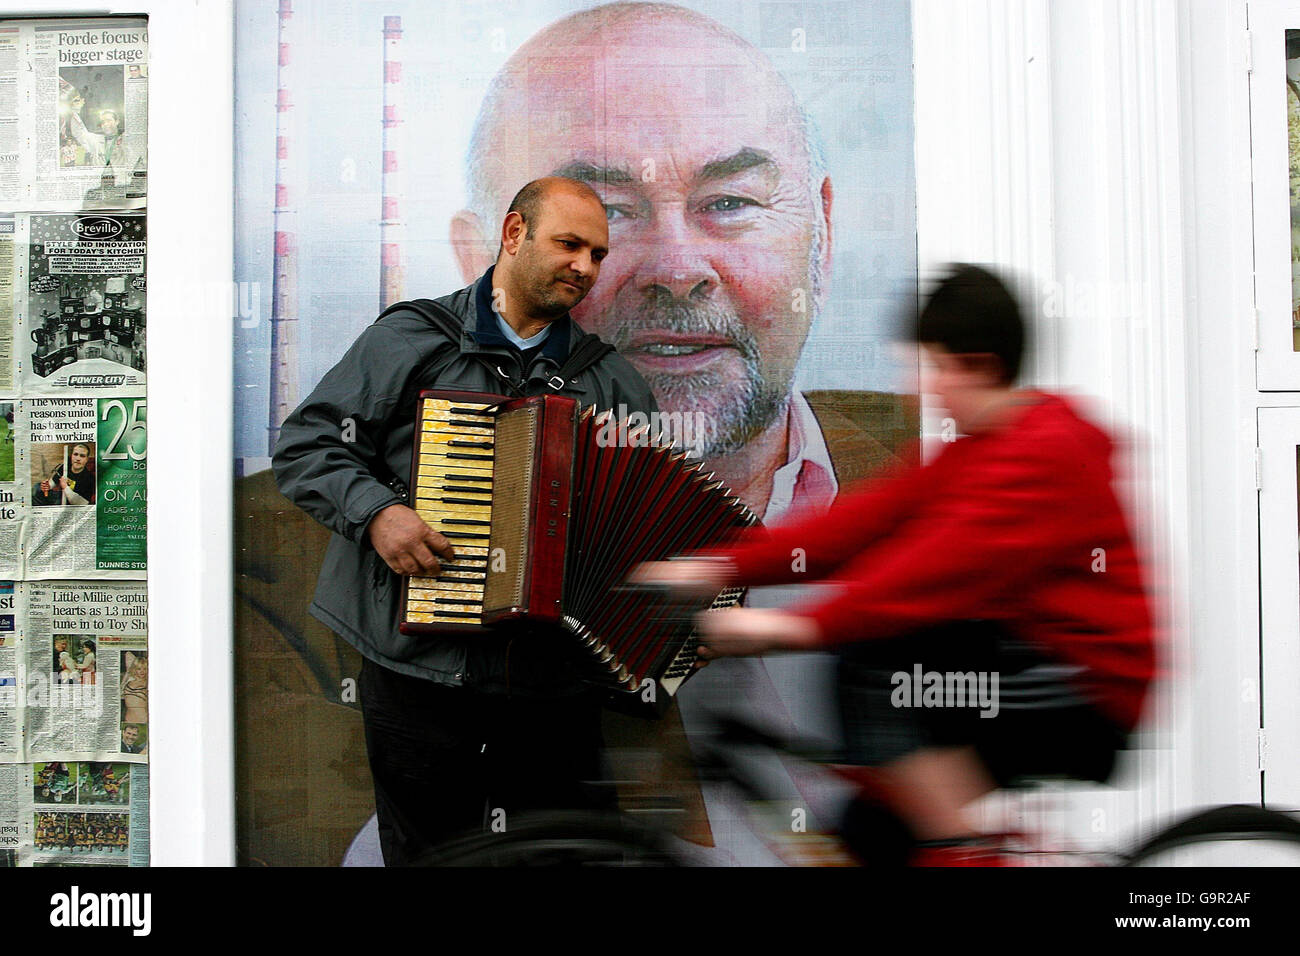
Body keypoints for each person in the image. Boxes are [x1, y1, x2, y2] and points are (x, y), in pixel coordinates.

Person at [447, 0, 915, 862]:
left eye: (730, 200)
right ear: (482, 262)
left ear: (823, 233)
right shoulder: (291, 569)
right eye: (604, 215)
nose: (675, 269)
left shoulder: (937, 473)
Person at [638, 265, 1157, 864]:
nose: (923, 389)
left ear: (979, 366)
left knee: (874, 667)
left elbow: (925, 575)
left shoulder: (1041, 454)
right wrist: (719, 567)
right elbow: (867, 523)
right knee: (873, 830)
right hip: (1025, 659)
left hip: (1083, 687)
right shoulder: (982, 448)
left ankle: (961, 853)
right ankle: (938, 838)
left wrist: (787, 627)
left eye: (934, 368)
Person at [273, 176, 657, 866]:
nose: (586, 267)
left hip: (552, 680)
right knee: (432, 857)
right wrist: (378, 513)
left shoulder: (613, 382)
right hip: (418, 670)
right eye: (569, 244)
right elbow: (307, 447)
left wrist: (679, 618)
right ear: (513, 234)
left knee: (568, 856)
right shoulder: (414, 339)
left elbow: (649, 523)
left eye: (598, 254)